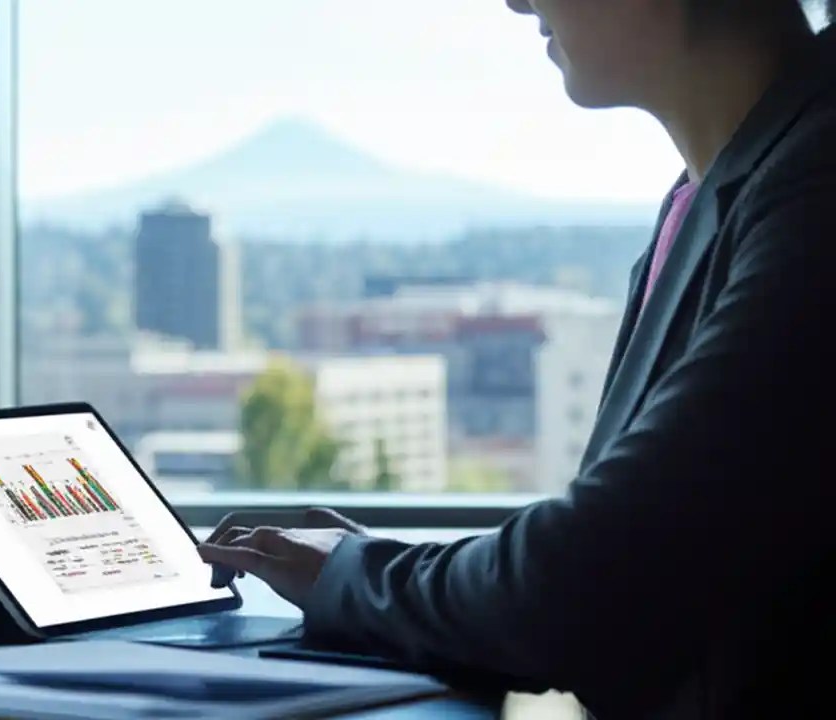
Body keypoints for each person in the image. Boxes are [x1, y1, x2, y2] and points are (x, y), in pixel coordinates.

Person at [198, 1, 836, 717]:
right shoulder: (719, 192)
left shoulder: (815, 192)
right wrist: (378, 574)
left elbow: (600, 587)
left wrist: (357, 577)